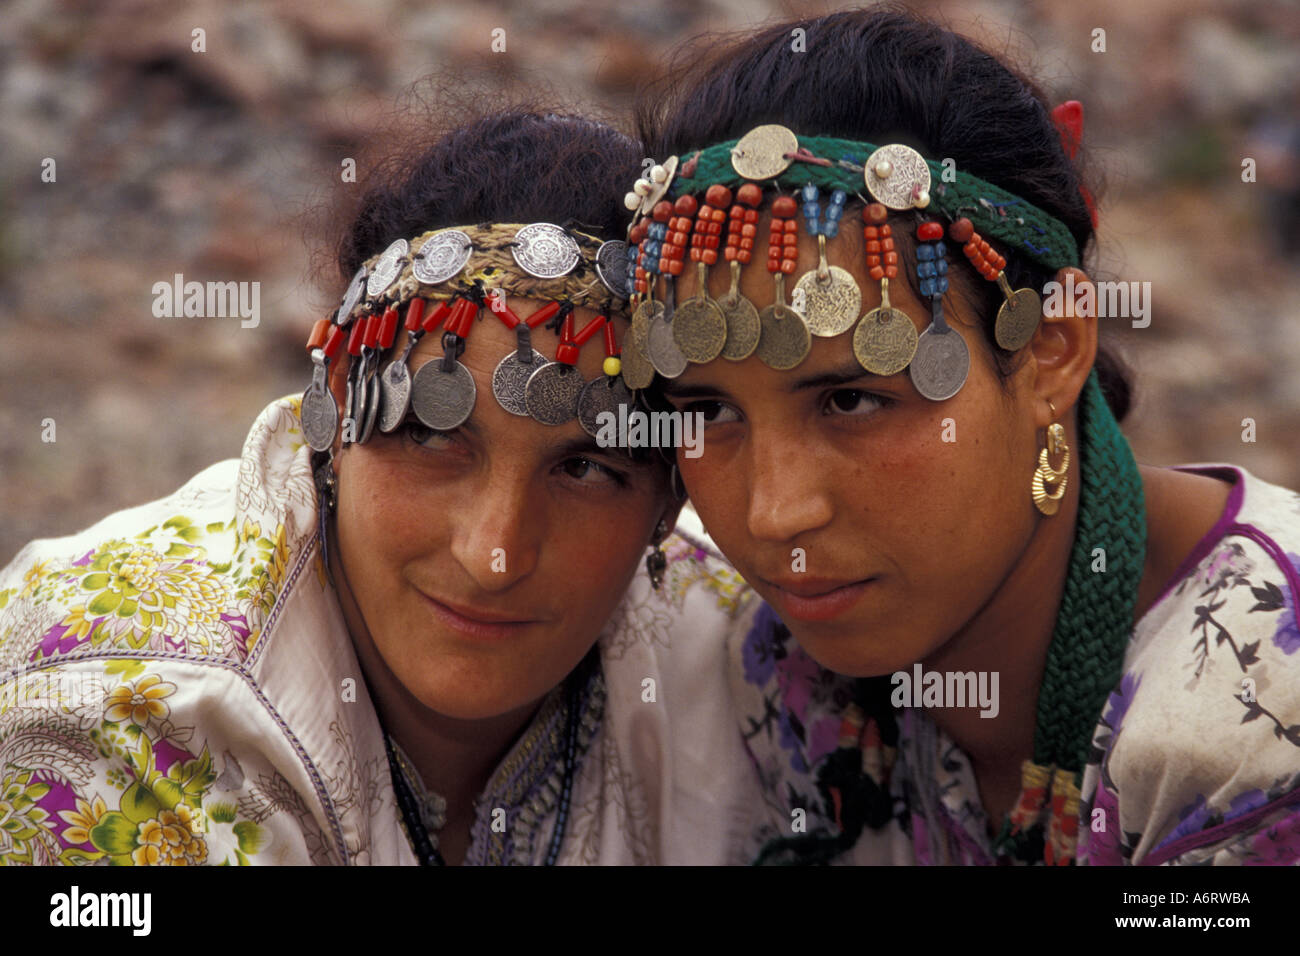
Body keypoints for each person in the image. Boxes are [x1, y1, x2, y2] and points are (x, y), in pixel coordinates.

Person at [617, 8, 1300, 865]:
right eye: (708, 411)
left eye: (853, 402)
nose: (776, 514)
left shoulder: (1262, 722)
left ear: (1052, 349)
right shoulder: (731, 636)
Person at [0, 106, 759, 865]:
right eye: (429, 435)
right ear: (334, 402)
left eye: (587, 469)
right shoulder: (121, 722)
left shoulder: (749, 667)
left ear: (672, 495)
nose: (492, 552)